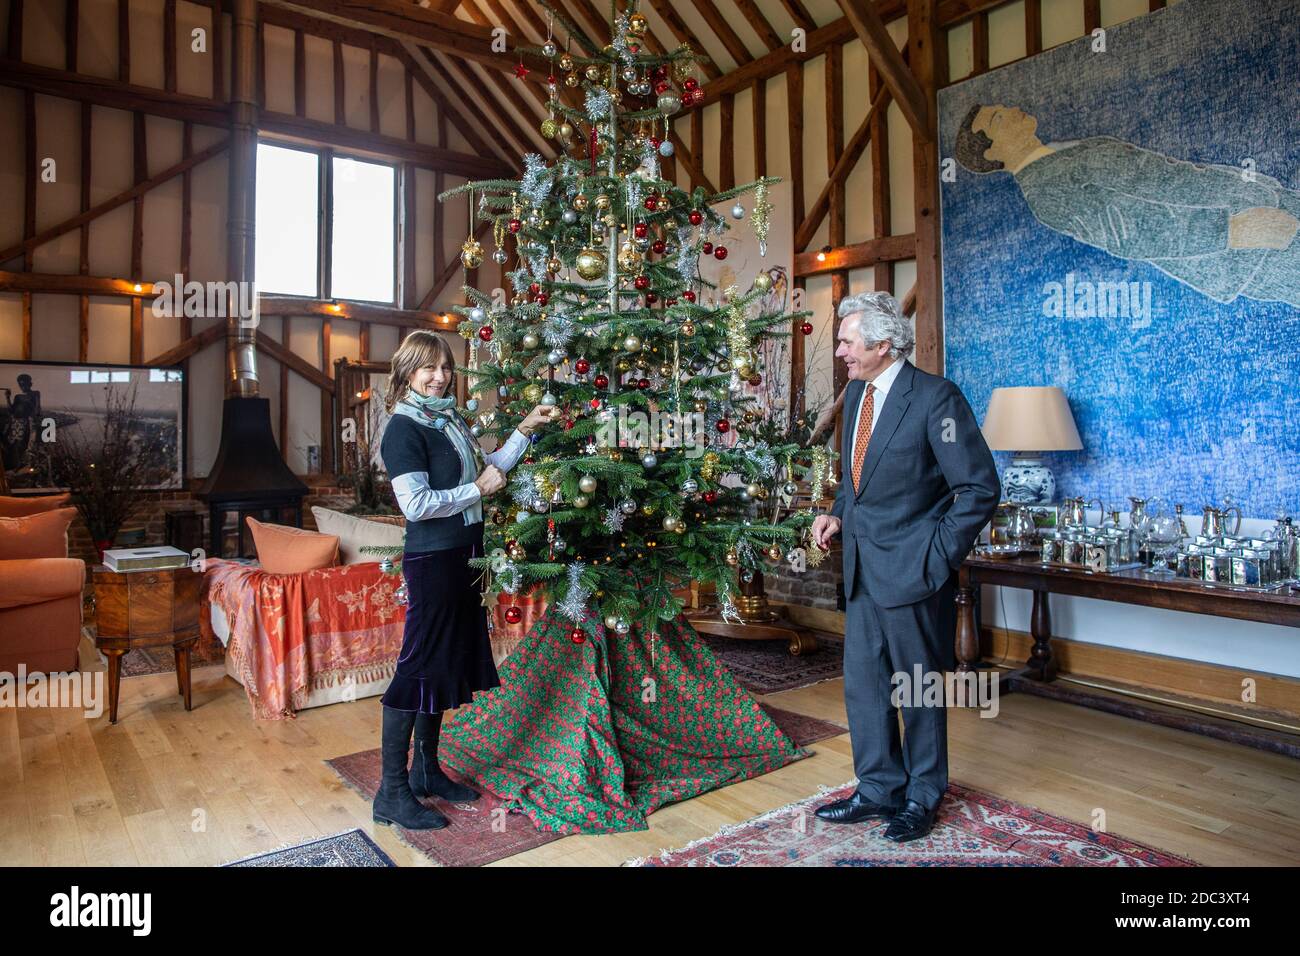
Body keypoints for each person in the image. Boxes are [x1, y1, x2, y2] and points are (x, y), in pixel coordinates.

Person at [810, 292, 999, 842]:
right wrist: (837, 515)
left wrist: (937, 555)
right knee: (865, 686)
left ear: (883, 343)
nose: (840, 349)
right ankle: (877, 790)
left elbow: (978, 488)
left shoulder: (936, 399)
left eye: (848, 340)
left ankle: (921, 795)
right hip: (862, 569)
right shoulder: (855, 392)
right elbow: (857, 480)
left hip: (915, 570)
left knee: (916, 689)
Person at [375, 329, 555, 831]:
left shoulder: (450, 421)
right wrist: (475, 488)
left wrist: (525, 428)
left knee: (443, 666)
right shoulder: (404, 428)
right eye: (428, 367)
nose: (439, 377)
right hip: (433, 560)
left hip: (466, 557)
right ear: (408, 371)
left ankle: (426, 773)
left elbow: (489, 473)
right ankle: (391, 791)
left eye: (445, 367)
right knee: (417, 667)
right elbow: (416, 505)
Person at [953, 103, 1300, 307]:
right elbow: (1129, 233)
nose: (1012, 110)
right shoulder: (1045, 191)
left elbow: (1166, 176)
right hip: (1250, 248)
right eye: (999, 119)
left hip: (1263, 205)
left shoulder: (1059, 151)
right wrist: (1233, 231)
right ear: (993, 152)